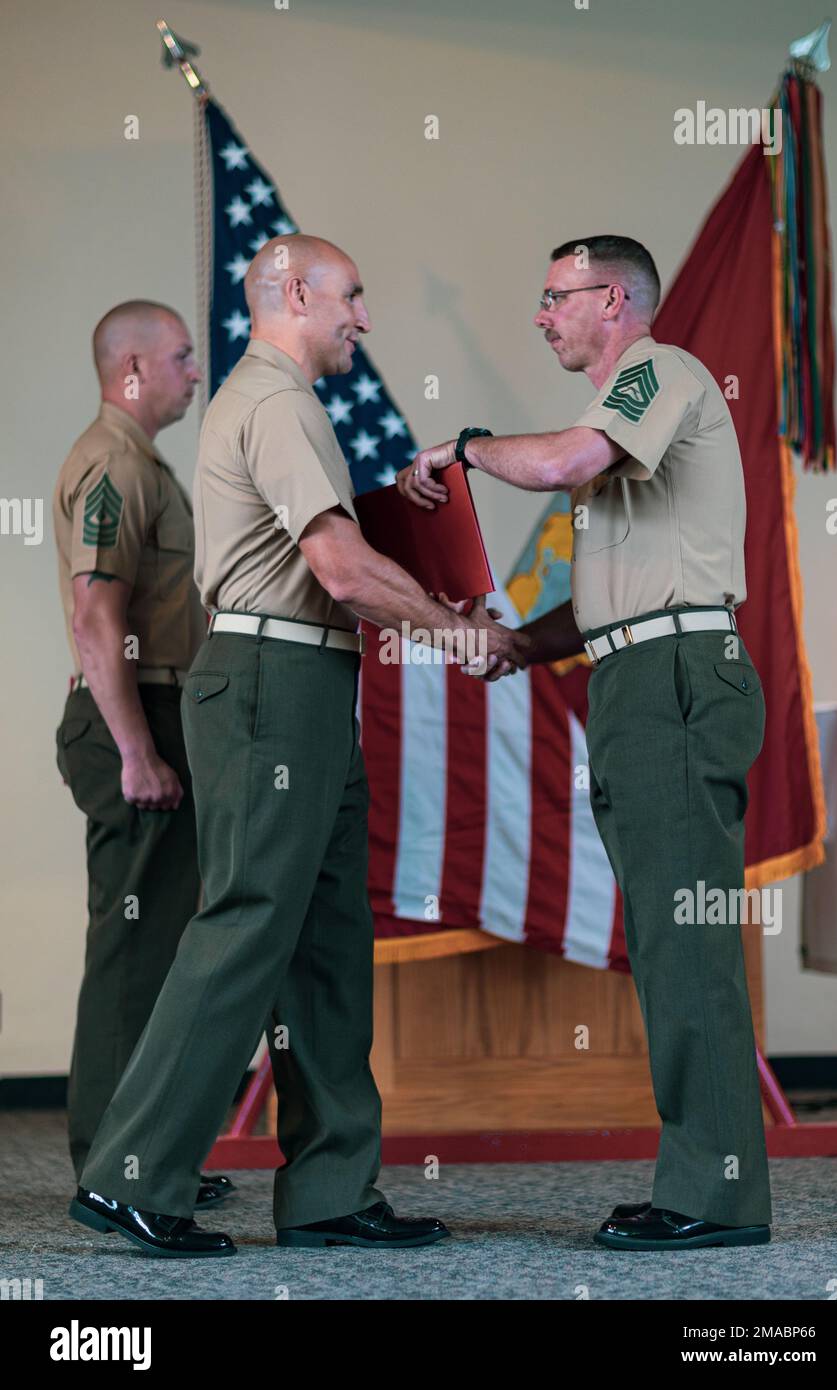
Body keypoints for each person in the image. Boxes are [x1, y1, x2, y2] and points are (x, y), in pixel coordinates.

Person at [70, 236, 528, 1258]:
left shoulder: (284, 403)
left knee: (326, 940)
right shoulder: (275, 400)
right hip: (274, 680)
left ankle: (327, 1190)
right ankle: (134, 1177)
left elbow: (327, 553)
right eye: (350, 297)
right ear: (291, 296)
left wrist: (400, 546)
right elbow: (338, 569)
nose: (362, 319)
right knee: (247, 925)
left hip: (307, 680)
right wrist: (459, 632)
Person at [397, 234, 772, 1252]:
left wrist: (465, 447)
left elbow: (563, 463)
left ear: (612, 300)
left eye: (554, 297)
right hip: (636, 672)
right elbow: (612, 598)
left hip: (673, 679)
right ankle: (704, 1183)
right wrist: (521, 645)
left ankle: (715, 1197)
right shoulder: (618, 413)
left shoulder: (654, 371)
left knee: (684, 938)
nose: (540, 314)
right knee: (666, 935)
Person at [53, 301, 234, 1210]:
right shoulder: (117, 462)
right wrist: (136, 751)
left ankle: (141, 1153)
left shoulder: (139, 459)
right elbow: (98, 614)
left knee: (158, 948)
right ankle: (114, 1166)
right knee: (133, 950)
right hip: (136, 717)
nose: (195, 372)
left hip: (161, 713)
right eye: (181, 357)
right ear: (131, 366)